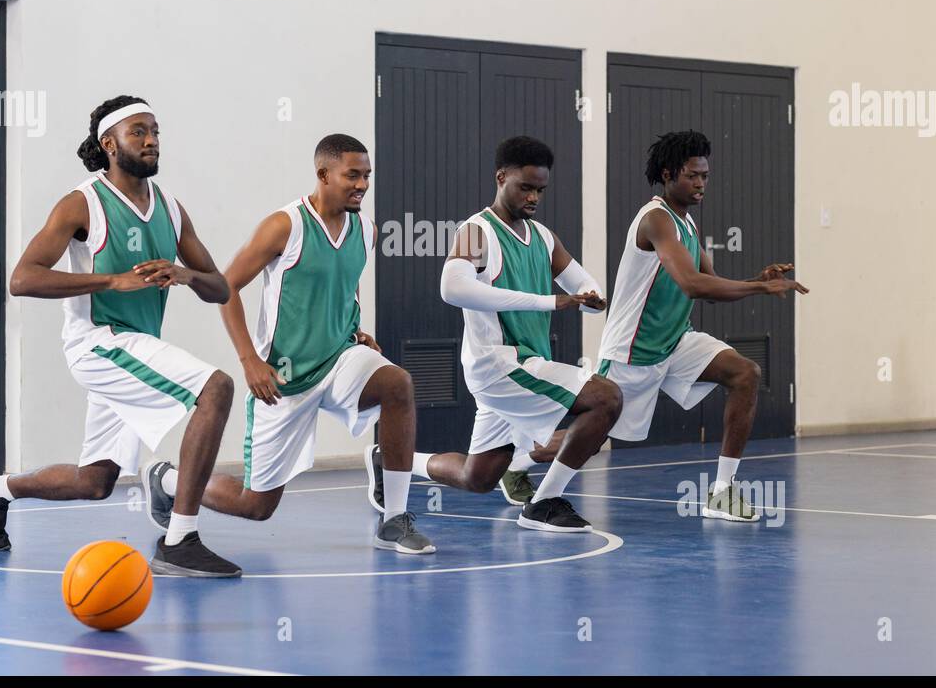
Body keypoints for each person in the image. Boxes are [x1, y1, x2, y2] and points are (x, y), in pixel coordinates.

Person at [0, 95, 242, 577]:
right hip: (99, 343)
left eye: (156, 130)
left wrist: (185, 274)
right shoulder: (83, 203)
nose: (152, 140)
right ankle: (180, 538)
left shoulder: (171, 209)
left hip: (134, 349)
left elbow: (220, 288)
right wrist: (109, 280)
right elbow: (23, 279)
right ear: (109, 143)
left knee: (95, 482)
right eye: (139, 131)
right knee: (215, 387)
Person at [144, 134, 436, 554]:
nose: (362, 185)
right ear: (323, 175)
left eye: (367, 176)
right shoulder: (286, 225)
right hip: (284, 378)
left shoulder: (365, 229)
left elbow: (341, 286)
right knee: (256, 506)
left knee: (397, 385)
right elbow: (227, 288)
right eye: (352, 175)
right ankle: (168, 479)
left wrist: (354, 331)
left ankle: (393, 519)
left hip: (338, 359)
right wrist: (249, 360)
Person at [373, 135, 621, 533]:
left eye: (540, 189)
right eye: (525, 187)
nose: (534, 197)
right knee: (605, 398)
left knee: (479, 476)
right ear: (501, 177)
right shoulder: (477, 232)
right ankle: (543, 504)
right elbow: (451, 288)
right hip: (500, 363)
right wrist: (548, 301)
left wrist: (593, 297)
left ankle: (392, 460)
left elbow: (583, 282)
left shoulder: (542, 236)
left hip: (523, 366)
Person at [597, 130, 808, 521]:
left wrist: (753, 278)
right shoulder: (656, 219)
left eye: (705, 176)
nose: (700, 184)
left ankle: (722, 491)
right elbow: (692, 285)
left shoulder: (688, 224)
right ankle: (520, 461)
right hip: (633, 347)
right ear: (667, 174)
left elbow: (710, 288)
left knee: (745, 373)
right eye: (692, 175)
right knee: (590, 438)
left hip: (675, 341)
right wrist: (761, 287)